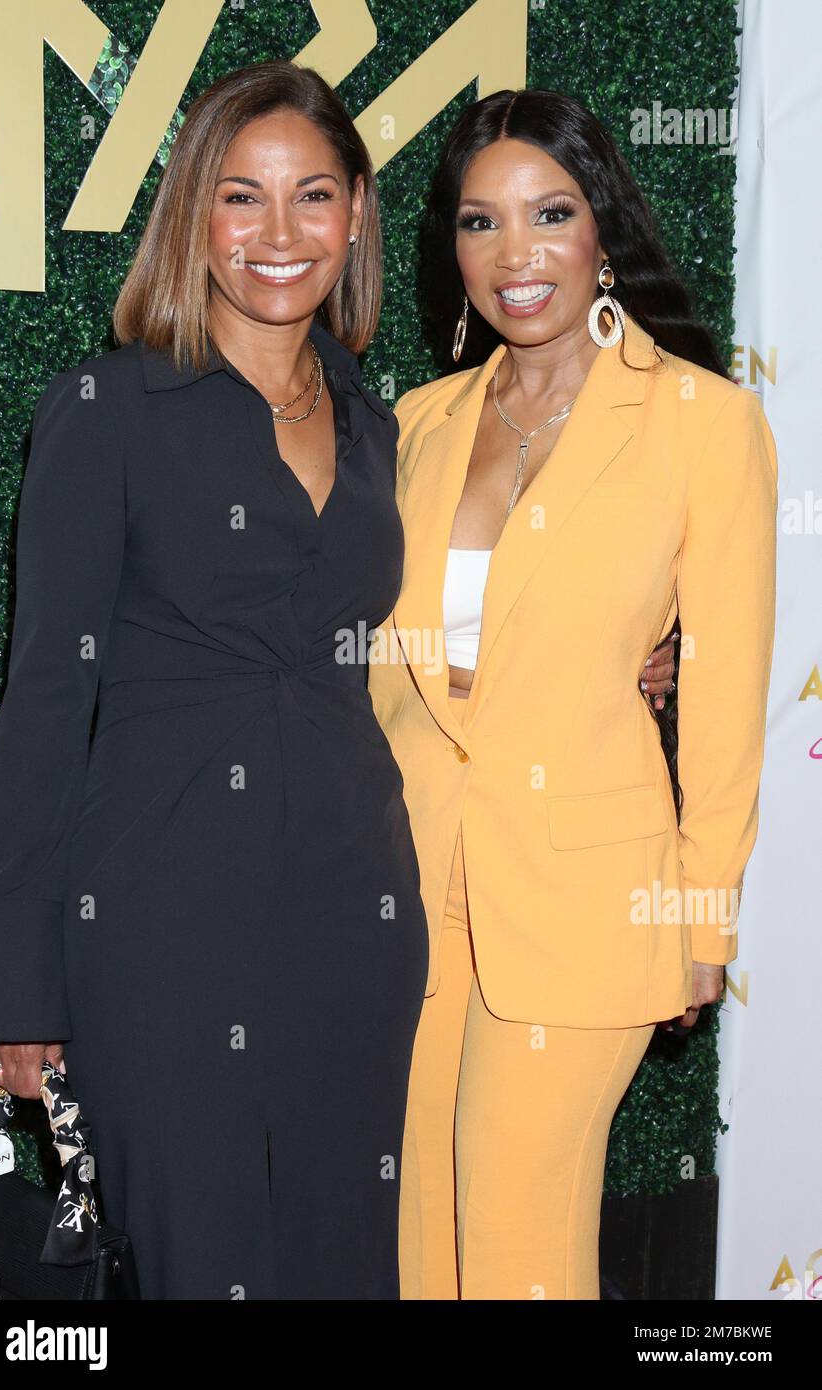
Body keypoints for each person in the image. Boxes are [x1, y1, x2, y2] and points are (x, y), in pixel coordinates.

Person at [0, 61, 432, 1301]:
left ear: (355, 216)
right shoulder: (107, 409)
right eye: (242, 197)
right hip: (159, 923)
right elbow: (44, 704)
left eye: (313, 196)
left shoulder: (375, 428)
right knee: (191, 1262)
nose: (280, 235)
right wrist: (18, 988)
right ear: (191, 215)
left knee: (340, 1264)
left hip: (353, 915)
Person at [366, 88, 778, 1300]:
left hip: (592, 896)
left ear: (599, 225)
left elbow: (721, 690)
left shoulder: (704, 425)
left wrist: (700, 923)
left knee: (514, 1249)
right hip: (415, 890)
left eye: (548, 214)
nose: (514, 255)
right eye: (479, 224)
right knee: (421, 1242)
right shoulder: (417, 423)